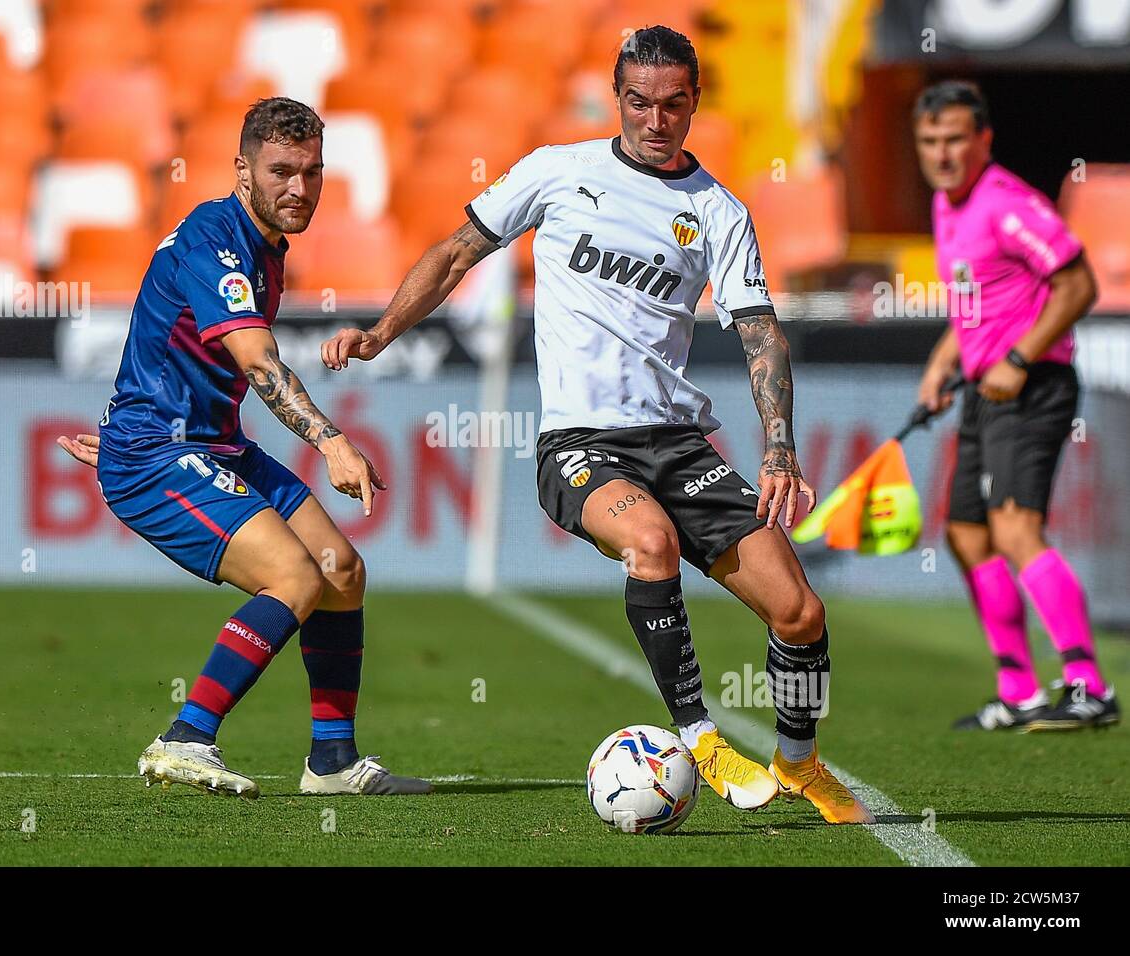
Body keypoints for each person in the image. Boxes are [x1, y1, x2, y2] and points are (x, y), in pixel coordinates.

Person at [321, 26, 874, 823]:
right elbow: (454, 254)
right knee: (649, 546)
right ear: (617, 98)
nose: (657, 121)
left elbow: (758, 331)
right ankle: (701, 737)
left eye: (674, 105)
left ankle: (800, 760)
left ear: (694, 104)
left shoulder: (717, 210)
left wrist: (780, 446)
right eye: (641, 103)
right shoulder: (557, 172)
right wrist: (379, 333)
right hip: (580, 444)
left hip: (680, 444)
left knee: (801, 613)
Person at [58, 97, 430, 797]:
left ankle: (332, 762)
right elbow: (260, 365)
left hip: (207, 443)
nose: (299, 188)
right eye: (282, 171)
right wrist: (331, 440)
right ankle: (185, 737)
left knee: (339, 568)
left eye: (312, 172)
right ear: (241, 171)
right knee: (294, 578)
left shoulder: (263, 247)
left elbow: (163, 339)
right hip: (157, 453)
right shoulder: (217, 239)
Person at [913, 80, 1117, 731]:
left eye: (953, 141)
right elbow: (981, 303)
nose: (941, 154)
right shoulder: (949, 204)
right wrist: (946, 361)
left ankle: (1089, 686)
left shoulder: (1007, 204)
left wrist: (1021, 357)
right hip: (986, 389)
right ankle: (1019, 691)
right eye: (928, 142)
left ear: (984, 140)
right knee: (968, 535)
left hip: (1034, 387)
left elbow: (1078, 284)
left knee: (1013, 528)